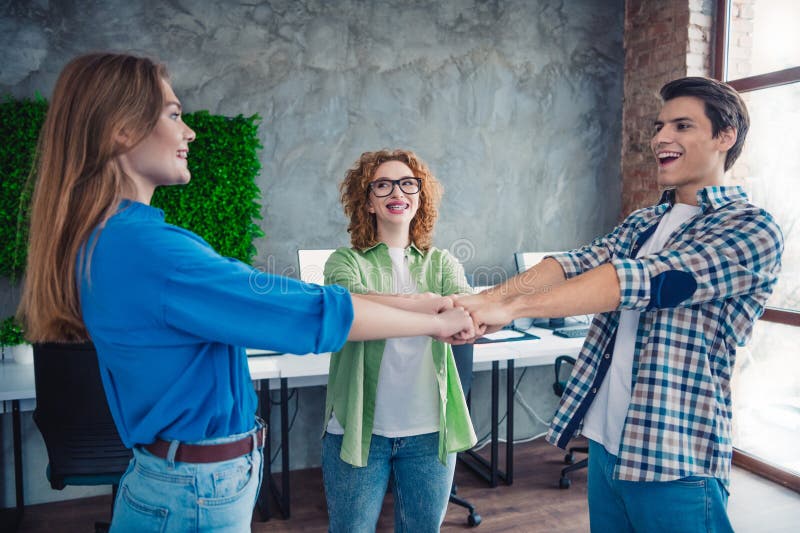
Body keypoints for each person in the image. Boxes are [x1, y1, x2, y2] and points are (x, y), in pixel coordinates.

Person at [18, 53, 473, 533]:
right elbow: (303, 309)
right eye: (174, 115)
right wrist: (432, 319)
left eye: (407, 184)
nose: (189, 131)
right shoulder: (149, 250)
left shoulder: (113, 242)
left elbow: (295, 301)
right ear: (122, 129)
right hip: (194, 492)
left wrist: (425, 307)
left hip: (180, 482)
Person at [456, 77, 783, 532]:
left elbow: (644, 281)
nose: (661, 138)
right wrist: (485, 298)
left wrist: (511, 310)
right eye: (659, 126)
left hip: (676, 458)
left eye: (682, 125)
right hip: (609, 448)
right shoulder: (647, 220)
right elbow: (575, 263)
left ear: (724, 137)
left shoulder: (750, 228)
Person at [321, 149, 478, 532]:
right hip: (359, 430)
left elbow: (467, 314)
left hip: (428, 431)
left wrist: (447, 313)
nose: (398, 191)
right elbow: (349, 313)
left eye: (408, 183)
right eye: (383, 184)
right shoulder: (344, 262)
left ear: (420, 196)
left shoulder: (441, 263)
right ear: (368, 201)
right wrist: (429, 306)